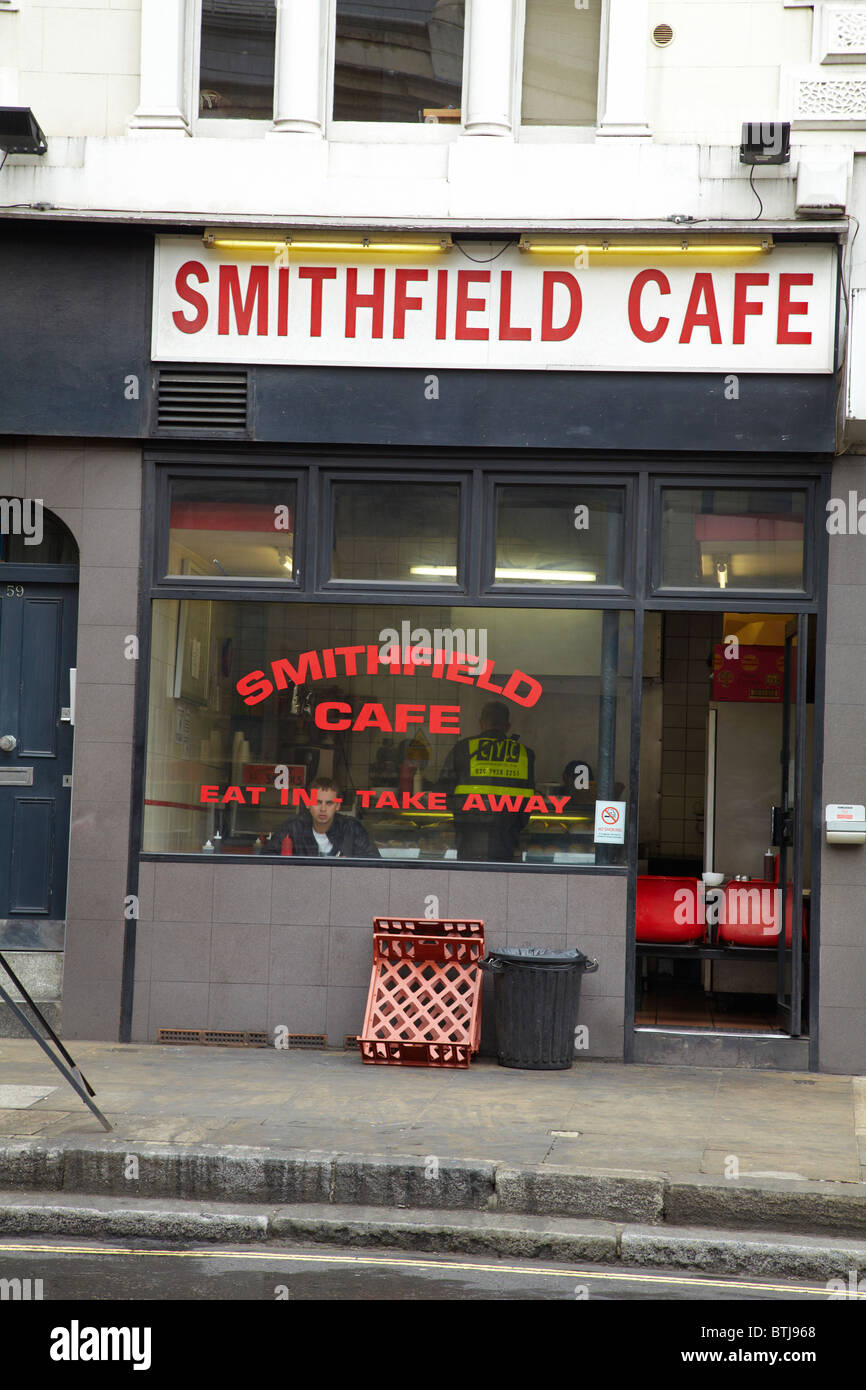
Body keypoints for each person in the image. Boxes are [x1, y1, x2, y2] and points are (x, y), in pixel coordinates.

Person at [438, 701, 536, 863]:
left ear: (481, 722)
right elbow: (529, 800)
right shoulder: (525, 754)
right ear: (508, 726)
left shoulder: (462, 749)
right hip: (507, 840)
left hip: (468, 839)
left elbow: (442, 792)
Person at [266, 776, 380, 858]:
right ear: (307, 803)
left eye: (329, 803)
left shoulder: (352, 828)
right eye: (317, 802)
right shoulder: (293, 827)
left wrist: (348, 866)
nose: (323, 808)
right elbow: (266, 858)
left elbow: (372, 863)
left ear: (338, 806)